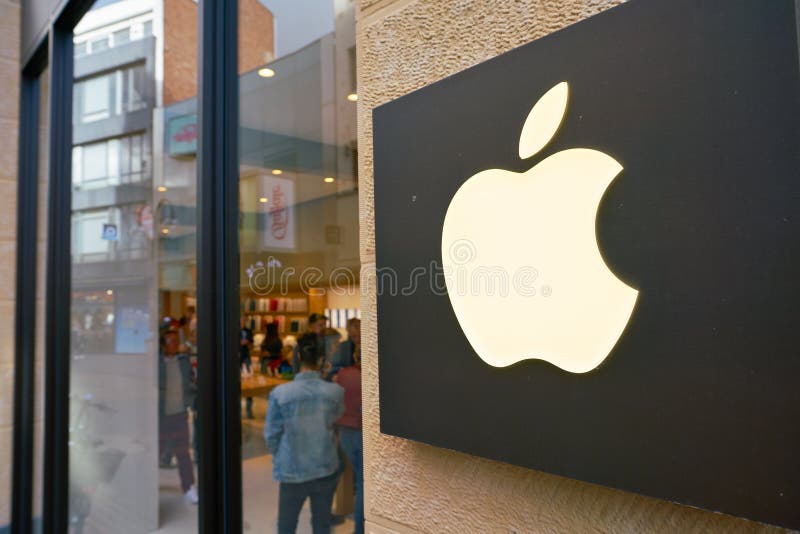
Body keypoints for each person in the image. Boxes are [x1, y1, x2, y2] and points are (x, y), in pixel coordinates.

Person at [265, 342, 344, 534]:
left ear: (297, 360)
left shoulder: (280, 393)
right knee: (322, 524)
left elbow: (271, 434)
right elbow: (337, 421)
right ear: (321, 362)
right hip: (325, 465)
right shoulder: (335, 392)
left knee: (286, 524)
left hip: (292, 467)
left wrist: (280, 457)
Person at [158, 318, 199, 504]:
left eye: (176, 341)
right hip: (160, 417)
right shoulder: (156, 364)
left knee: (183, 454)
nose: (175, 345)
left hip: (179, 415)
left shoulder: (183, 362)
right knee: (155, 453)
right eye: (171, 341)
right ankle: (149, 486)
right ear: (163, 345)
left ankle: (189, 487)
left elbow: (190, 385)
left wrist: (193, 405)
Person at [333, 341, 363, 534]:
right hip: (364, 433)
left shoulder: (343, 375)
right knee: (363, 484)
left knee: (357, 479)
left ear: (354, 356)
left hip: (345, 432)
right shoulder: (373, 376)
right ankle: (360, 529)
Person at [240, 317, 255, 418]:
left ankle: (249, 410)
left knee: (250, 382)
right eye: (242, 320)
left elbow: (251, 344)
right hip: (236, 357)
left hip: (246, 356)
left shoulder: (248, 331)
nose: (243, 321)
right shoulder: (233, 330)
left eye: (245, 320)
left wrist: (248, 344)